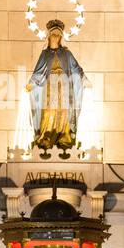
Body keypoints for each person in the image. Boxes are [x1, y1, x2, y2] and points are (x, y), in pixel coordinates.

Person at [26, 19, 90, 156]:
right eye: (53, 35)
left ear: (61, 38)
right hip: (49, 87)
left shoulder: (67, 53)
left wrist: (84, 79)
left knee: (63, 112)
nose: (55, 37)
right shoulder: (45, 54)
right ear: (49, 37)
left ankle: (65, 140)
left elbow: (76, 69)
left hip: (64, 86)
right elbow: (38, 72)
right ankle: (46, 140)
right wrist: (31, 84)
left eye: (58, 35)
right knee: (49, 112)